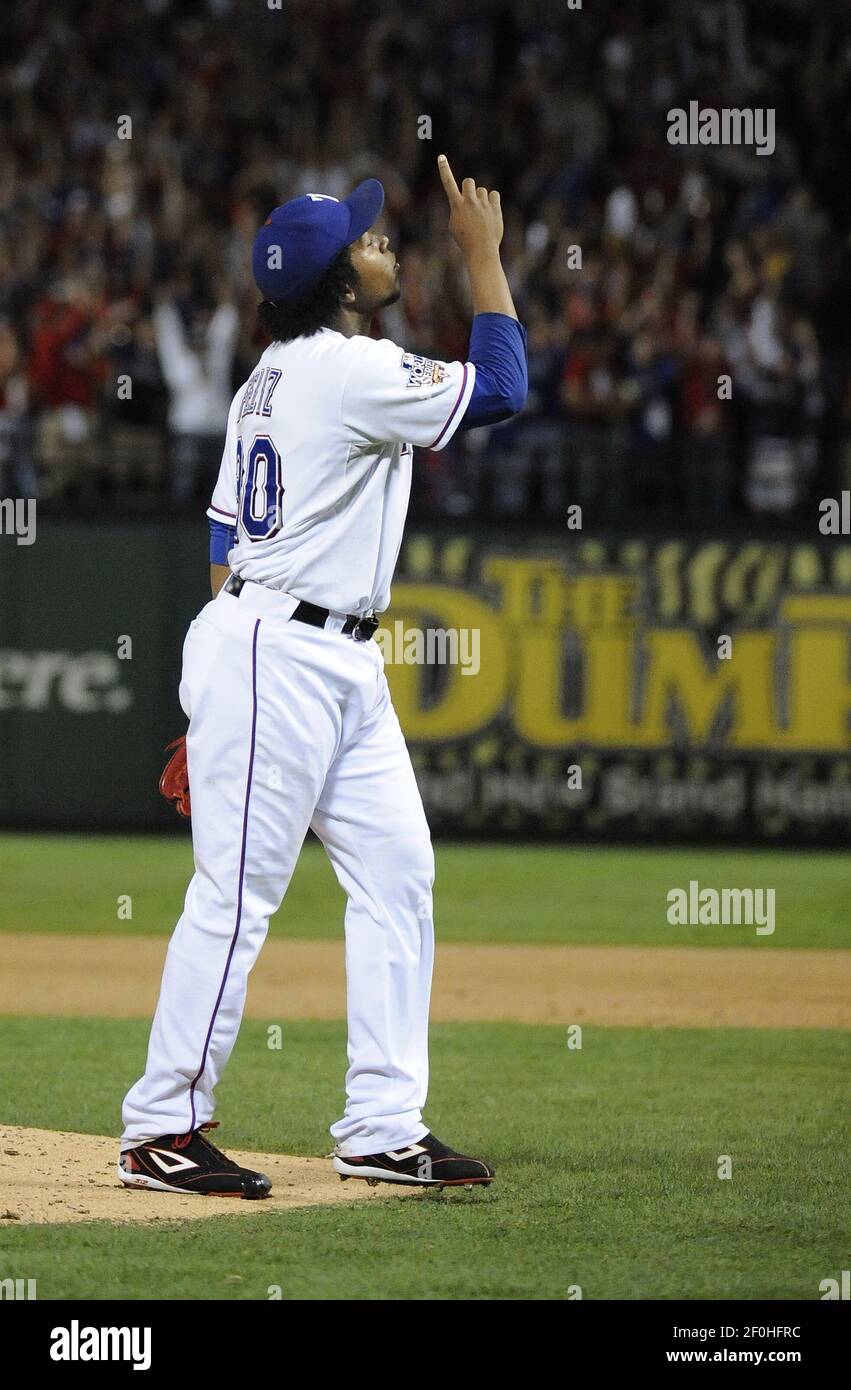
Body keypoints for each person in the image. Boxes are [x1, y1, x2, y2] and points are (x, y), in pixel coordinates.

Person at [117, 157, 527, 1197]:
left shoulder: (274, 376)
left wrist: (225, 664)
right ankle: (163, 1125)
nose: (383, 242)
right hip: (281, 652)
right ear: (340, 283)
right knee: (236, 897)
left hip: (317, 654)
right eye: (366, 238)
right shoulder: (346, 370)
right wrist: (484, 260)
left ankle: (382, 1124)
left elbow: (220, 524)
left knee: (397, 874)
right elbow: (504, 388)